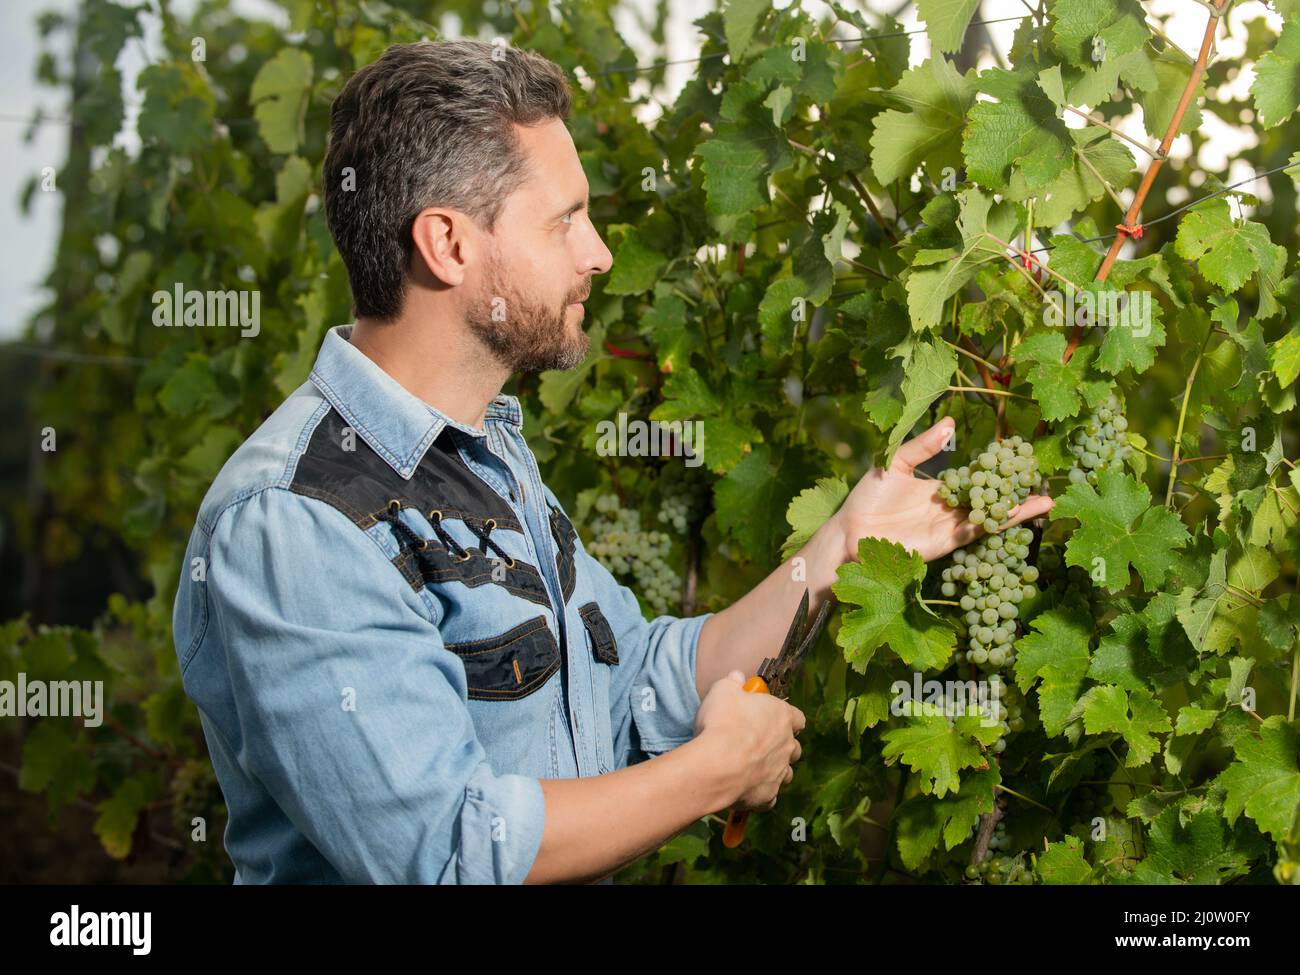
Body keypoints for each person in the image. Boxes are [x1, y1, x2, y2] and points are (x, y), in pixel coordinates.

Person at [170, 38, 1053, 885]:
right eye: (565, 222)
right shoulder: (300, 519)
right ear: (448, 245)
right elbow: (443, 851)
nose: (597, 253)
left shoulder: (487, 455)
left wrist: (842, 547)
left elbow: (634, 676)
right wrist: (714, 773)